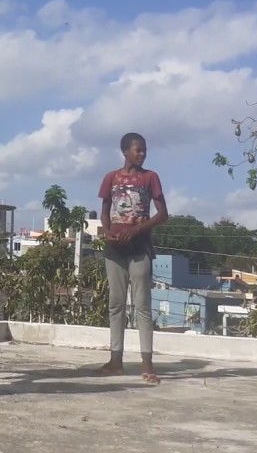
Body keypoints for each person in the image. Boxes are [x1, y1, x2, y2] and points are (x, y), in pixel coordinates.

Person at [98, 132, 168, 384]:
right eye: (138, 150)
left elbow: (162, 214)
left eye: (144, 150)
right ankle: (115, 360)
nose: (142, 154)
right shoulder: (111, 178)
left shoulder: (150, 178)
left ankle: (147, 362)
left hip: (140, 248)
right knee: (115, 305)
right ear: (125, 151)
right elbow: (105, 210)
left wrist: (137, 229)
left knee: (143, 306)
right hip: (115, 250)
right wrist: (107, 232)